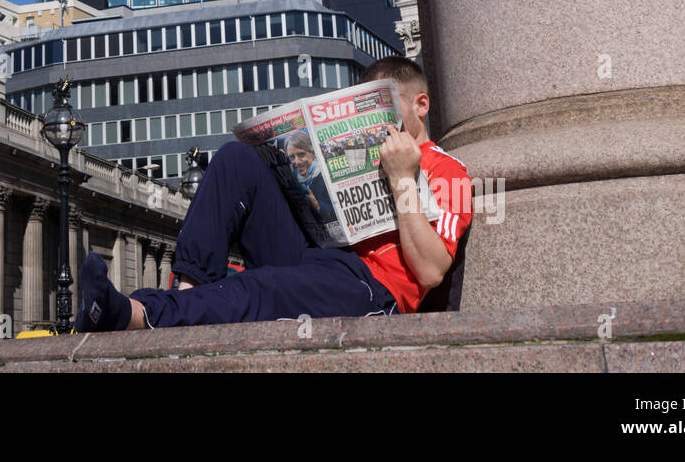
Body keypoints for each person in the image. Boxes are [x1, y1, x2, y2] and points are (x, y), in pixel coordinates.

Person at [75, 56, 472, 332]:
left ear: (420, 105)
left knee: (258, 287)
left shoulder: (447, 170)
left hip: (370, 288)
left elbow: (431, 270)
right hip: (320, 254)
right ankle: (187, 294)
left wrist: (403, 178)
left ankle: (133, 313)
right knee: (236, 159)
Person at [284, 130, 336, 225]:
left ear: (313, 154)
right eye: (292, 157)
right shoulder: (293, 180)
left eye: (301, 154)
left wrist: (317, 206)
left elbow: (341, 211)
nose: (297, 162)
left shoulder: (326, 176)